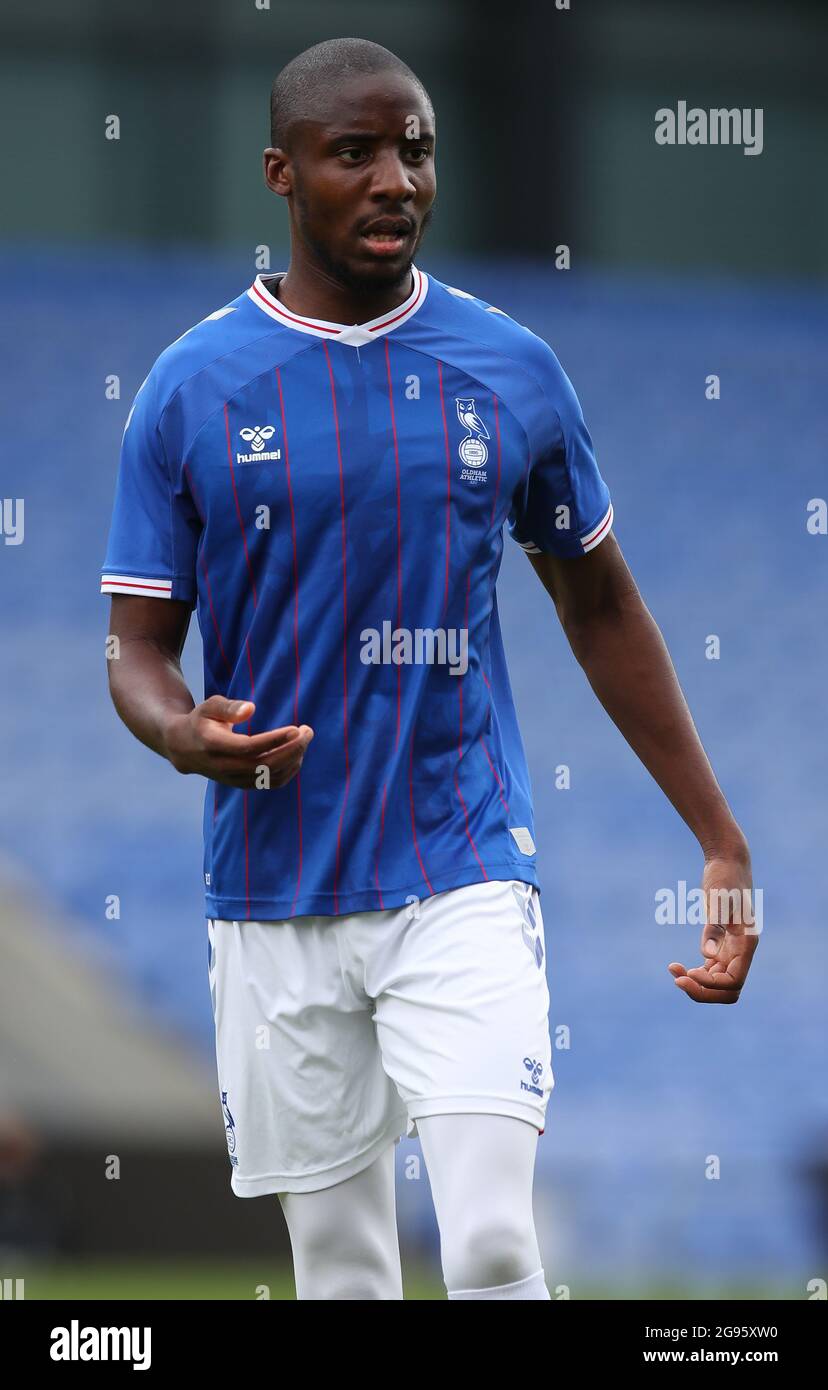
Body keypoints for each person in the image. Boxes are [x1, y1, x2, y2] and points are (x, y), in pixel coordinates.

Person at [101, 37, 757, 1301]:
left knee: (497, 1245)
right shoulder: (189, 389)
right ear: (283, 174)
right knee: (345, 1270)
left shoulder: (508, 368)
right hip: (272, 893)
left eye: (417, 150)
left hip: (460, 867)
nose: (397, 178)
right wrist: (184, 731)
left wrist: (717, 838)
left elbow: (603, 604)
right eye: (358, 153)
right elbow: (136, 651)